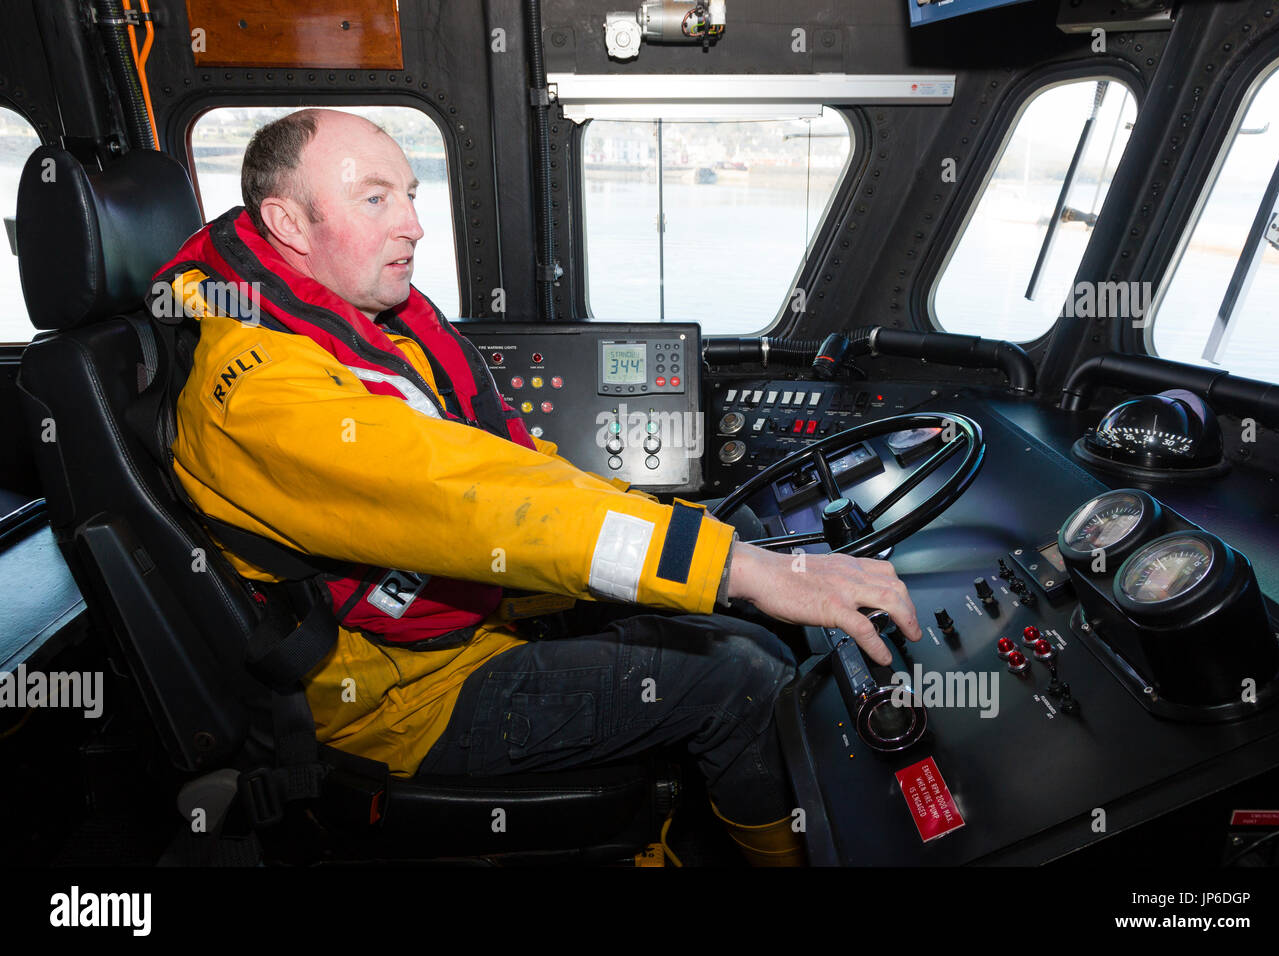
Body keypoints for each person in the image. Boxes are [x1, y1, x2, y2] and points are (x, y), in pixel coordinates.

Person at [154, 108, 921, 865]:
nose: (414, 225)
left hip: (464, 634)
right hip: (408, 703)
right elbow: (479, 506)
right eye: (376, 198)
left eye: (412, 196)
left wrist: (717, 548)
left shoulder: (349, 329)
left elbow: (513, 474)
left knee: (735, 581)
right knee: (742, 678)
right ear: (288, 224)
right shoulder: (267, 396)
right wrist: (748, 572)